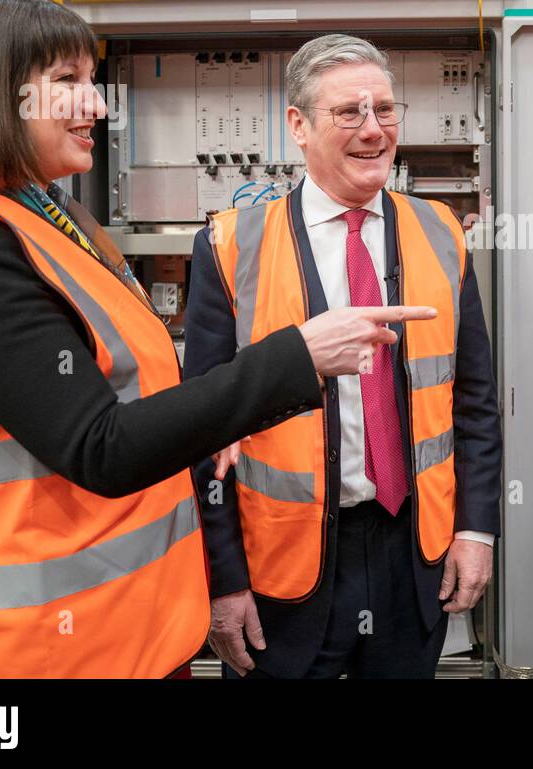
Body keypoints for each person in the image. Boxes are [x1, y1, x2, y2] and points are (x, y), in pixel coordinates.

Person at [0, 0, 430, 678]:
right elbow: (101, 446)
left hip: (128, 634)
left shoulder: (54, 221)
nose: (98, 106)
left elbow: (125, 389)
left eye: (93, 81)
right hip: (45, 653)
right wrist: (300, 355)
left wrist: (211, 420)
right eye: (68, 83)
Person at [185, 34, 503, 679]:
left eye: (384, 110)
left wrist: (477, 530)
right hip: (285, 567)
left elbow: (474, 401)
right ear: (298, 126)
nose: (373, 130)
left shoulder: (440, 232)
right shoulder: (231, 245)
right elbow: (203, 427)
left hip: (413, 552)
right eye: (348, 113)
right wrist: (223, 580)